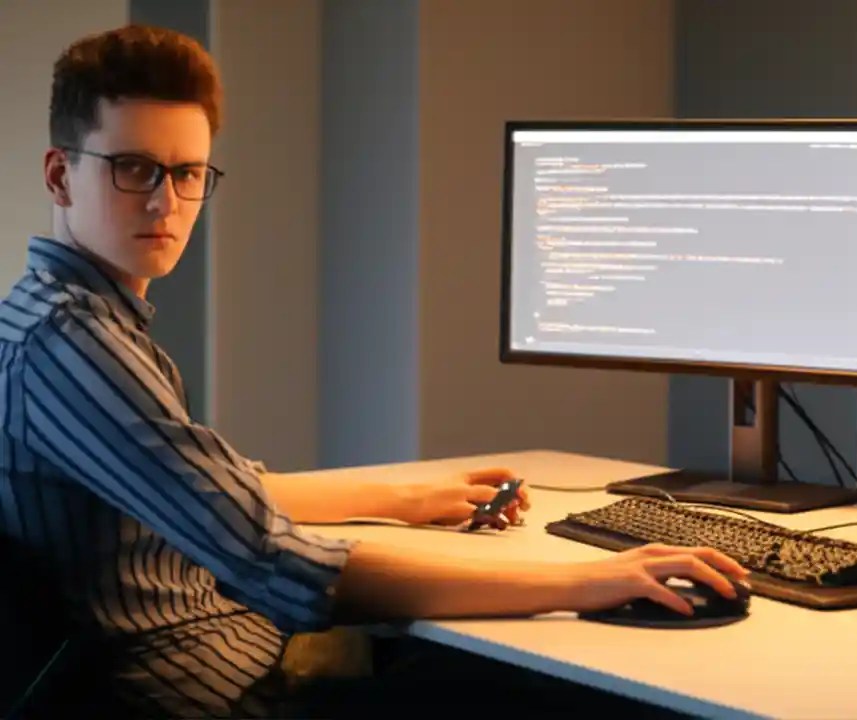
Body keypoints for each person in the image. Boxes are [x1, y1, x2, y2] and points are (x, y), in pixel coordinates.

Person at [0, 24, 747, 718]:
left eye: (188, 172)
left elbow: (213, 493)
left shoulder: (59, 315)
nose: (167, 201)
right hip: (203, 688)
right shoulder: (77, 346)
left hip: (215, 655)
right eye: (134, 169)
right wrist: (596, 581)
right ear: (61, 176)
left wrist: (409, 496)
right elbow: (271, 554)